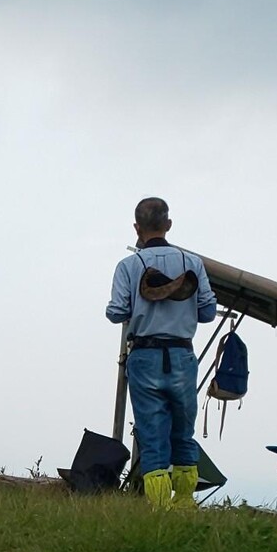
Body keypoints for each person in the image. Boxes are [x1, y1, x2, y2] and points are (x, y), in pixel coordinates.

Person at [105, 197, 216, 509]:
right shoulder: (192, 264)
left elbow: (117, 312)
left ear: (137, 228)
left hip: (144, 356)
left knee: (151, 434)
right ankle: (184, 504)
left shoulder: (128, 266)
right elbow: (207, 312)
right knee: (183, 433)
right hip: (182, 355)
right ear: (168, 225)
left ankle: (160, 509)